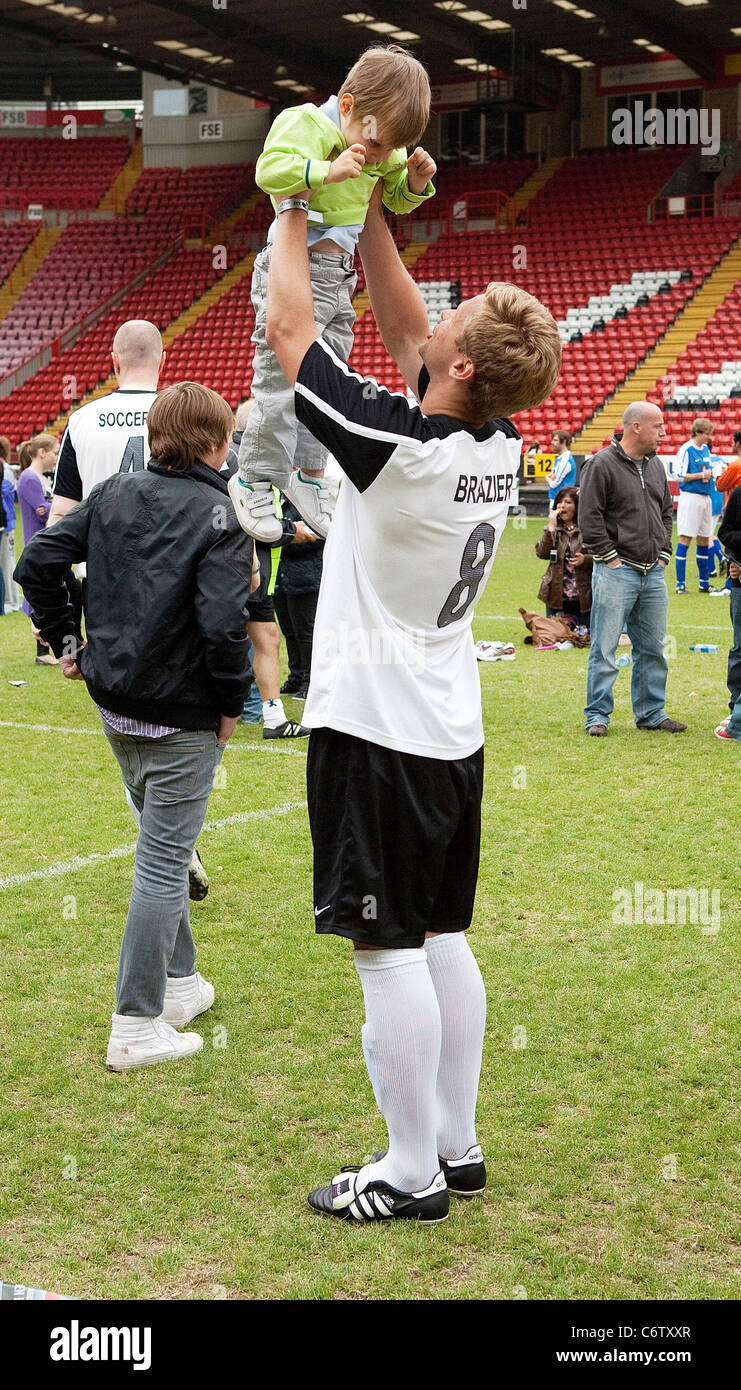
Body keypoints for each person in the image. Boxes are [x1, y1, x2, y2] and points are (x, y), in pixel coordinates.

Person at [262, 179, 561, 1222]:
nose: (438, 321)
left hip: (377, 723)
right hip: (447, 722)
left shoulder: (395, 444)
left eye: (459, 319)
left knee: (385, 945)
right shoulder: (491, 439)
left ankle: (407, 1168)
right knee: (440, 937)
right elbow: (411, 332)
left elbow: (289, 325)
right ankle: (456, 1143)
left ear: (463, 364)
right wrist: (376, 207)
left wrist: (299, 201)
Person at [14, 382, 255, 1071]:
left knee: (163, 846)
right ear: (216, 441)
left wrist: (66, 642)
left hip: (115, 699)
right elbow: (220, 625)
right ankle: (136, 1022)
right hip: (172, 711)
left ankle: (178, 984)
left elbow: (39, 561)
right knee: (162, 859)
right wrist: (232, 705)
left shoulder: (116, 493)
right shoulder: (220, 511)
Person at [228, 43, 436, 543]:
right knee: (280, 383)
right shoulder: (307, 123)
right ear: (347, 107)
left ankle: (308, 474)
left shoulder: (378, 140)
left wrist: (415, 183)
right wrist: (326, 171)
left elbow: (394, 200)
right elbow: (269, 171)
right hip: (293, 268)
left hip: (340, 275)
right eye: (382, 146)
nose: (384, 158)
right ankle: (253, 477)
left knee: (327, 383)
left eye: (393, 151)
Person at [580, 402, 686, 737]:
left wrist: (665, 553)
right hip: (617, 570)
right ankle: (597, 715)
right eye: (659, 426)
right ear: (636, 427)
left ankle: (651, 712)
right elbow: (590, 518)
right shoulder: (600, 464)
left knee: (653, 647)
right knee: (605, 646)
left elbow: (666, 510)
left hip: (652, 572)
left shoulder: (656, 467)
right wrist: (610, 557)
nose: (664, 433)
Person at [274, 496, 325, 698]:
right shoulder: (277, 498)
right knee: (289, 630)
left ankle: (310, 680)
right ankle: (295, 677)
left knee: (306, 632)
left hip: (305, 575)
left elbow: (317, 536)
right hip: (282, 575)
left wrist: (284, 538)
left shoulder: (308, 500)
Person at [16, 434, 58, 663]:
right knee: (41, 596)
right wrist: (64, 507)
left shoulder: (38, 477)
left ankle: (46, 650)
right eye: (54, 452)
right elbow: (42, 511)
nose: (56, 457)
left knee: (49, 594)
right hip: (38, 543)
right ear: (42, 452)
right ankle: (43, 652)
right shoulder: (30, 478)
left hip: (44, 542)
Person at [535, 485, 592, 632]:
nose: (562, 506)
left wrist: (585, 560)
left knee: (584, 635)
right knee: (556, 634)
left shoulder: (588, 528)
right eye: (560, 502)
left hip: (584, 594)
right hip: (557, 593)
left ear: (577, 505)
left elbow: (603, 556)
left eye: (568, 502)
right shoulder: (554, 530)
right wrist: (551, 528)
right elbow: (542, 553)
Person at [672, 417, 716, 594]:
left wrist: (712, 474)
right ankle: (680, 584)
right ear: (697, 432)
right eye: (707, 434)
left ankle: (704, 582)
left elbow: (705, 470)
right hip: (690, 497)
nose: (709, 437)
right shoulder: (686, 449)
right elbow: (678, 475)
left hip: (705, 496)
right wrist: (700, 475)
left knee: (704, 538)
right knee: (685, 538)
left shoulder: (705, 449)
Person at [715, 485, 741, 740]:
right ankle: (736, 707)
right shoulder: (739, 494)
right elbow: (725, 532)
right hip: (739, 581)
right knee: (739, 648)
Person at [0, 438, 20, 613]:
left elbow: (5, 492)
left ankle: (12, 601)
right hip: (5, 522)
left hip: (7, 524)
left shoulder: (6, 471)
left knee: (7, 563)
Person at [545, 429, 577, 504]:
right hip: (557, 498)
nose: (552, 443)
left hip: (562, 501)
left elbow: (554, 484)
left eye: (555, 440)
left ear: (564, 441)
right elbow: (553, 476)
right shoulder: (560, 458)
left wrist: (547, 478)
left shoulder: (565, 460)